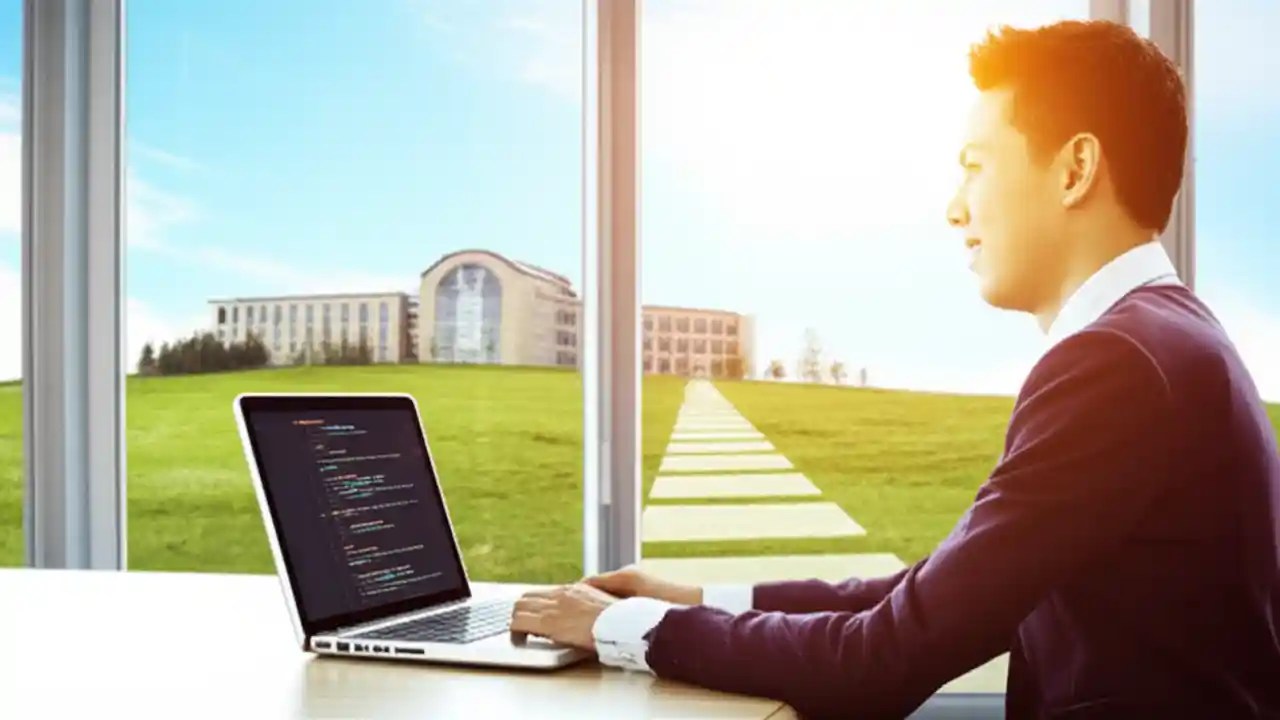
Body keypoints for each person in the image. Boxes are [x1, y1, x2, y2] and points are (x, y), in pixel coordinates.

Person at [509, 19, 1280, 719]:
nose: (954, 208)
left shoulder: (1117, 365)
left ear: (1076, 168)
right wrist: (697, 597)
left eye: (975, 166)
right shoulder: (1171, 340)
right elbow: (932, 594)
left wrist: (622, 626)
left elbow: (885, 660)